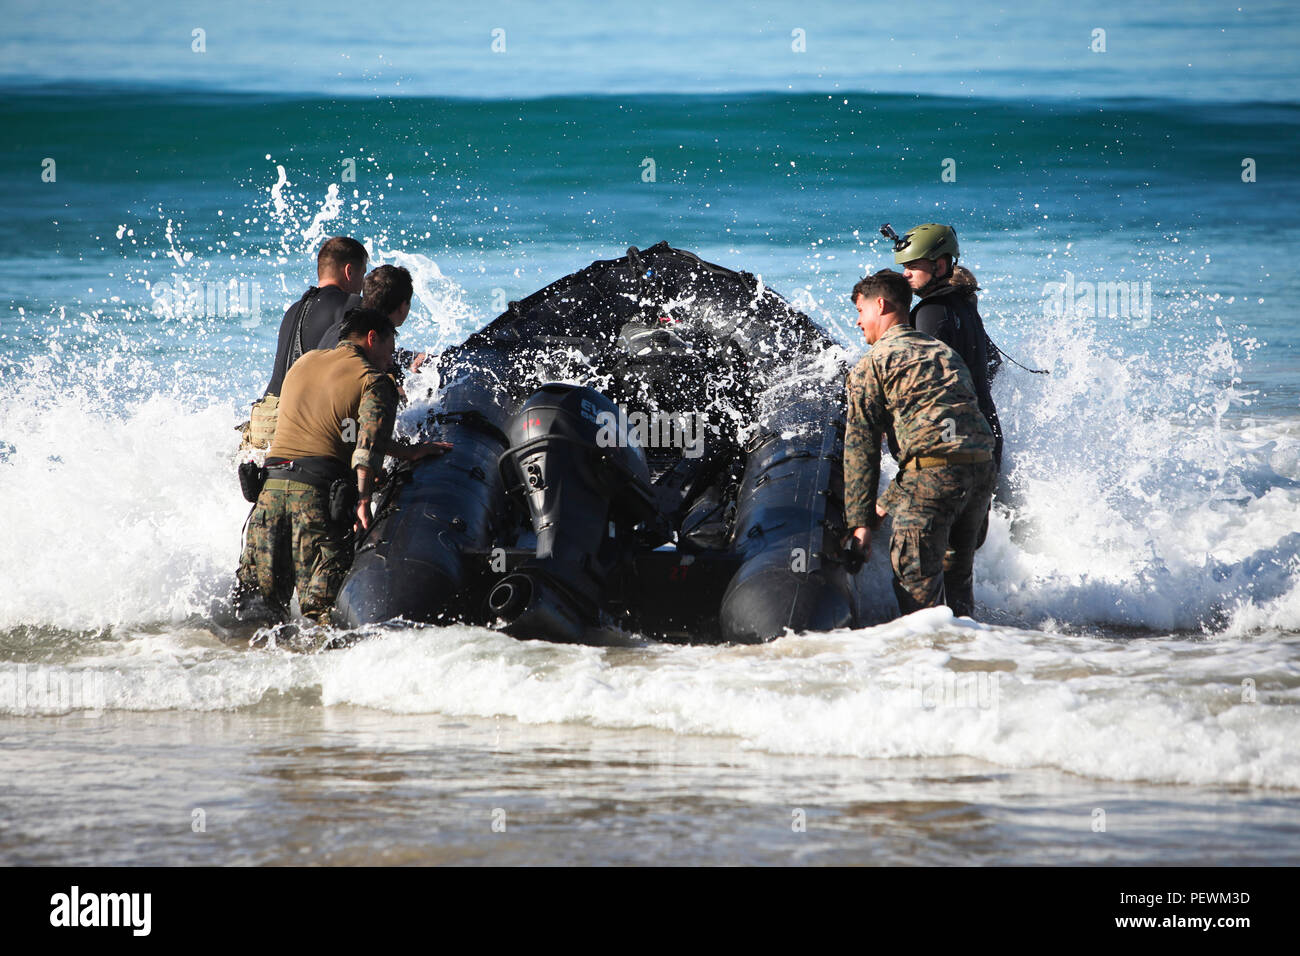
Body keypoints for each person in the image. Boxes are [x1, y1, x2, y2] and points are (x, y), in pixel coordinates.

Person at [233, 308, 450, 627]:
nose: (390, 361)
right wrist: (363, 501)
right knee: (324, 617)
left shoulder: (303, 364)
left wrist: (406, 451)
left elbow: (324, 425)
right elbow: (368, 444)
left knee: (258, 612)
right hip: (316, 502)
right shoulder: (374, 380)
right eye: (389, 351)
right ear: (372, 338)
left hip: (269, 496)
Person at [843, 270, 996, 618]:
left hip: (935, 476)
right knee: (956, 580)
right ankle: (973, 653)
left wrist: (860, 523)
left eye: (860, 311)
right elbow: (952, 439)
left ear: (880, 305)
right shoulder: (942, 351)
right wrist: (888, 502)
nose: (857, 322)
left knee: (915, 584)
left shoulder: (874, 362)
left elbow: (861, 444)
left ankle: (927, 660)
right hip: (980, 471)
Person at [892, 224, 1003, 469]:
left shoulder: (931, 311)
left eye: (912, 267)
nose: (905, 275)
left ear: (939, 266)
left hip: (955, 448)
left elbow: (922, 379)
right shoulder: (964, 307)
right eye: (904, 268)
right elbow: (993, 364)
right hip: (987, 435)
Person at [243, 236, 368, 449]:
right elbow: (369, 348)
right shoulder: (350, 304)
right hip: (291, 425)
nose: (363, 283)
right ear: (349, 271)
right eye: (363, 274)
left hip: (261, 421)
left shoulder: (293, 310)